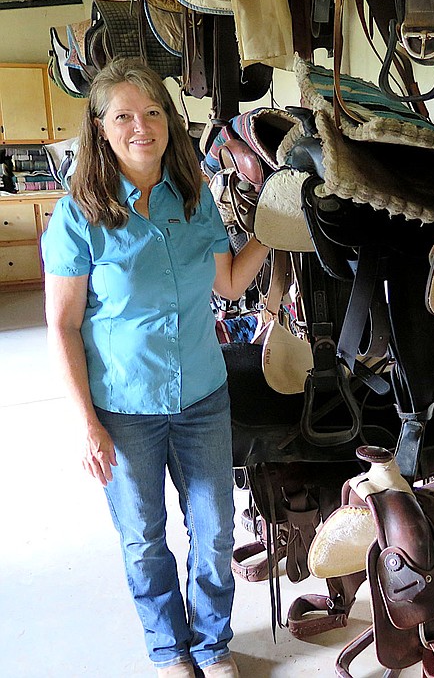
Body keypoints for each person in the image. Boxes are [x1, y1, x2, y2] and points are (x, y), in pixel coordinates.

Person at [42, 58, 270, 678]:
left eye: (152, 112)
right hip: (124, 407)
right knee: (144, 540)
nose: (141, 126)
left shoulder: (194, 199)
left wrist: (274, 230)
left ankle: (213, 645)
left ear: (168, 120)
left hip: (202, 395)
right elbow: (61, 325)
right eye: (123, 116)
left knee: (216, 532)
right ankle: (170, 651)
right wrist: (87, 423)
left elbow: (227, 283)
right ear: (99, 127)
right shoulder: (77, 216)